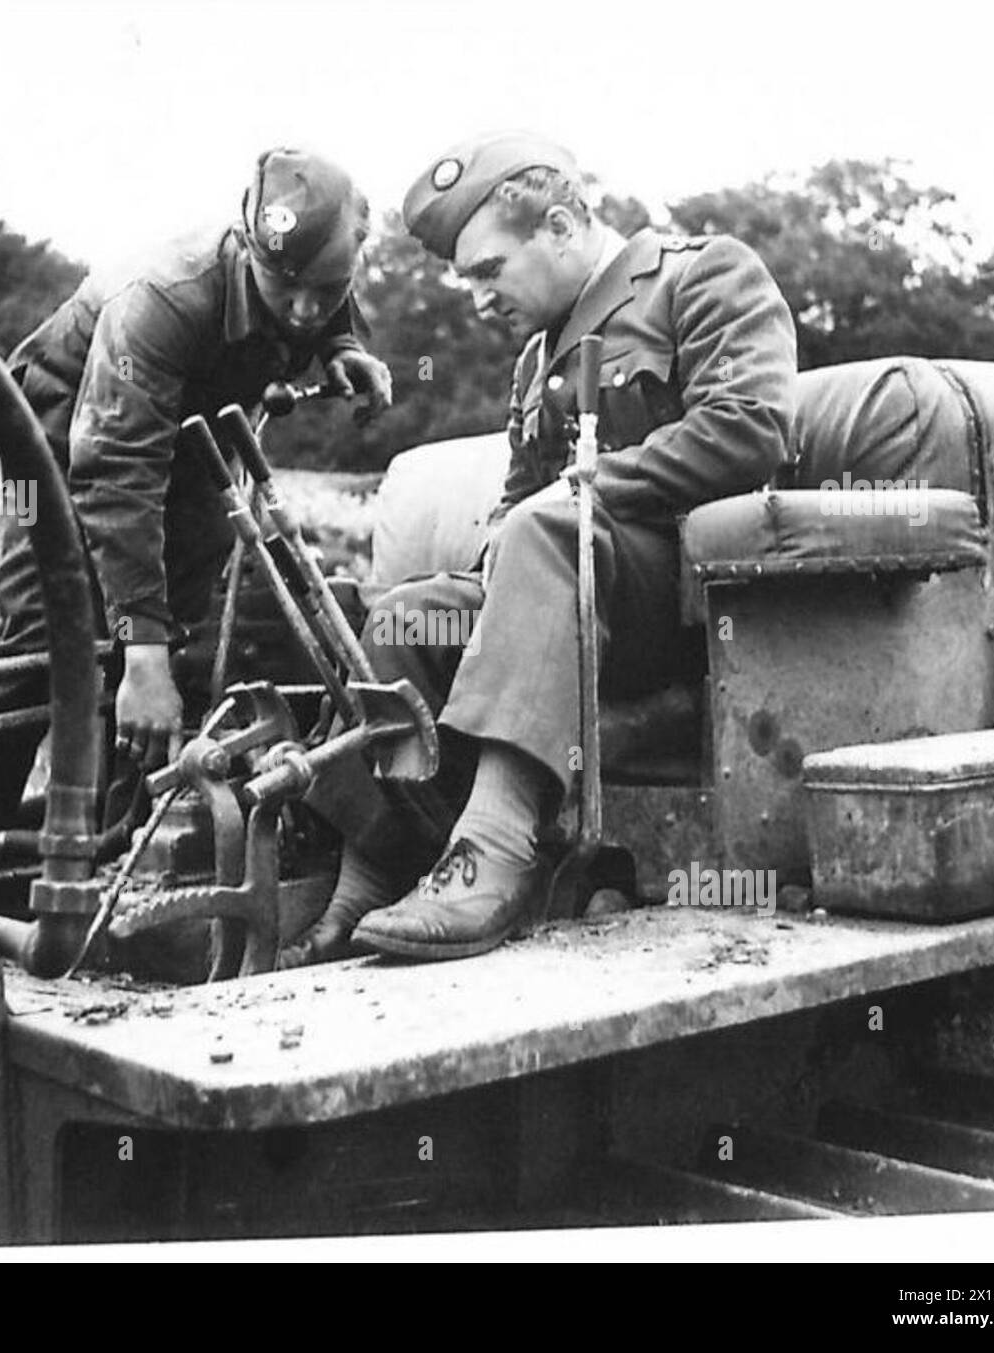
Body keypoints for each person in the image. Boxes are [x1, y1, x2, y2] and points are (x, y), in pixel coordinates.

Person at [284, 131, 796, 965]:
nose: (477, 298)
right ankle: (386, 856)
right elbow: (518, 504)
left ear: (560, 227)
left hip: (694, 617)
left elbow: (753, 427)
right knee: (412, 613)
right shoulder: (536, 359)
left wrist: (583, 492)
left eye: (489, 271)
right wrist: (493, 560)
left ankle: (496, 849)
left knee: (545, 528)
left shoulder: (701, 275)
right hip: (564, 602)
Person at [0, 147, 392, 825]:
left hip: (188, 443)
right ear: (250, 252)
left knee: (175, 632)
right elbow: (115, 474)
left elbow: (316, 297)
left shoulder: (311, 274)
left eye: (327, 289)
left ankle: (117, 844)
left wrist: (343, 349)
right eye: (285, 290)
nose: (305, 312)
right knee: (50, 634)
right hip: (68, 432)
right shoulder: (161, 299)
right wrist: (143, 653)